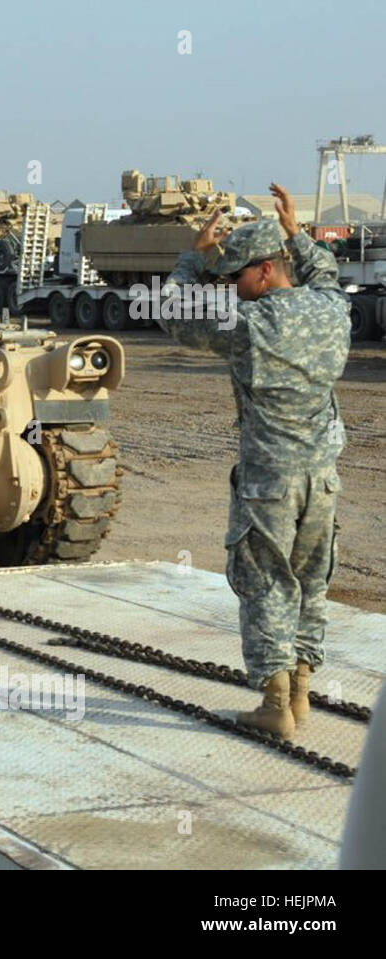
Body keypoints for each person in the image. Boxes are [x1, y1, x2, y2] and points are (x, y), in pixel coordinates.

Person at [156, 183, 350, 741]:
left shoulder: (248, 327)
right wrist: (297, 233)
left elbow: (172, 309)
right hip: (322, 477)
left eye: (238, 275)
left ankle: (275, 703)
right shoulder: (332, 311)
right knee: (311, 581)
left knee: (266, 583)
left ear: (265, 272)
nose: (233, 288)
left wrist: (194, 257)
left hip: (269, 481)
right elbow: (327, 275)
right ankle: (303, 692)